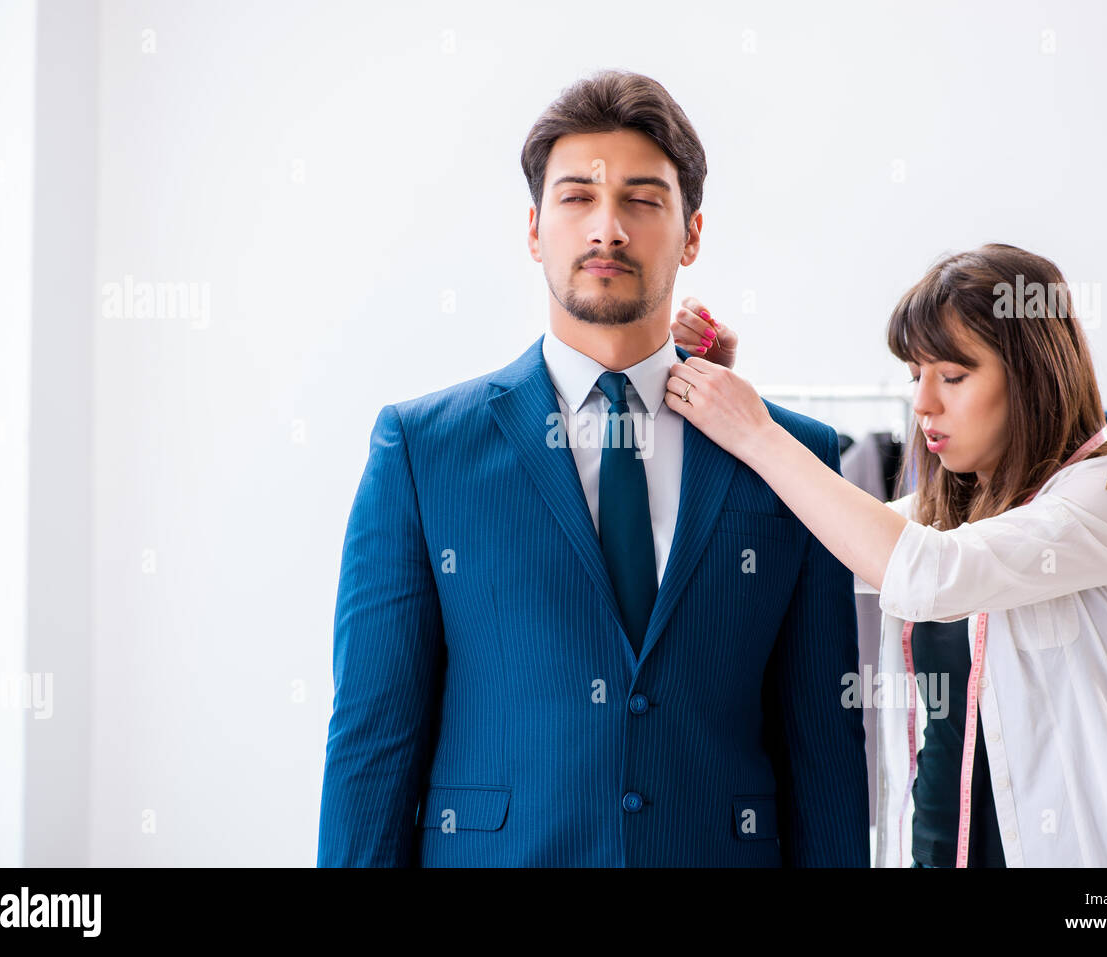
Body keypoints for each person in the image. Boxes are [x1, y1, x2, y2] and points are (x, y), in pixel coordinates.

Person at [316, 69, 869, 867]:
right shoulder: (422, 450)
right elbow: (372, 739)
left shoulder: (794, 457)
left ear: (692, 234)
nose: (607, 228)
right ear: (535, 229)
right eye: (578, 198)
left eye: (643, 200)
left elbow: (823, 747)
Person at [666, 244, 1107, 867]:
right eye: (917, 375)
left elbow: (927, 572)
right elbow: (827, 532)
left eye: (953, 377)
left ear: (1033, 373)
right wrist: (725, 393)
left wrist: (753, 428)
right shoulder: (951, 513)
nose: (922, 404)